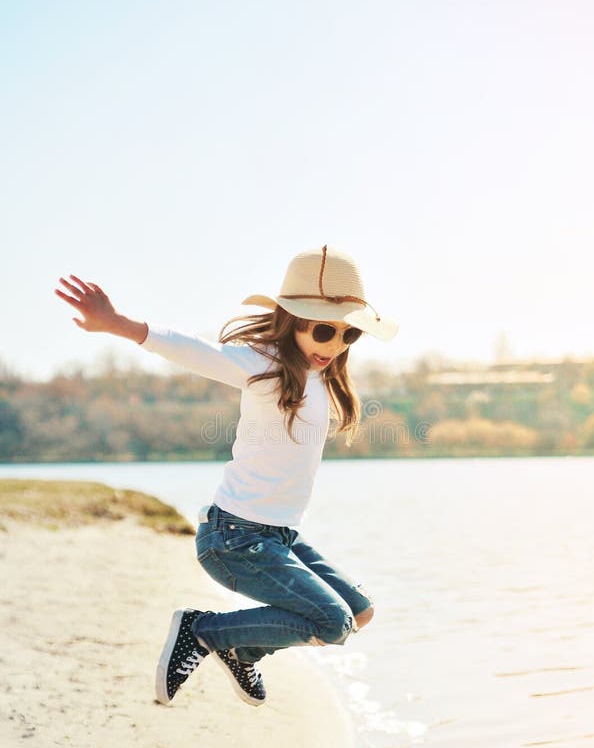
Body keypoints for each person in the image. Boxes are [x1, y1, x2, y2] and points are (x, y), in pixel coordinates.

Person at [55, 246, 397, 708]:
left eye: (349, 333)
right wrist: (120, 324)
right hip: (234, 539)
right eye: (323, 330)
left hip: (279, 536)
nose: (334, 345)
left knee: (360, 612)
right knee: (332, 623)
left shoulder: (318, 374)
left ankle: (242, 652)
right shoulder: (264, 364)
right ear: (292, 321)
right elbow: (197, 352)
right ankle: (203, 631)